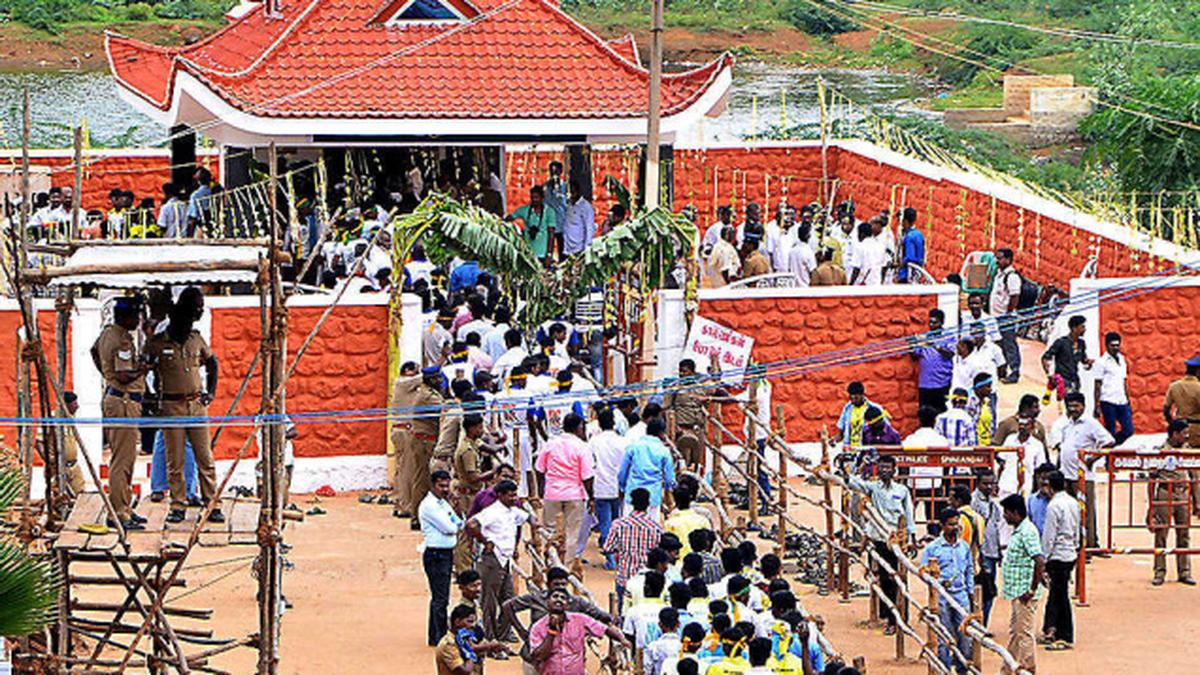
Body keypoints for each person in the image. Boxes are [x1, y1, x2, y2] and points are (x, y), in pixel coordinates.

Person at [144, 301, 221, 524]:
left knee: (205, 457)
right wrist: (152, 398)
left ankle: (212, 503)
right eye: (185, 320)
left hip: (196, 405)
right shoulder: (157, 343)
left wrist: (211, 393)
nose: (188, 324)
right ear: (175, 319)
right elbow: (146, 367)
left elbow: (212, 363)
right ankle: (178, 504)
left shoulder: (195, 339)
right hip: (171, 406)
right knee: (174, 459)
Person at [91, 296, 148, 530]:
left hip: (117, 398)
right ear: (126, 316)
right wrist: (143, 369)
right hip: (124, 401)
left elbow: (94, 352)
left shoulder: (107, 333)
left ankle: (124, 505)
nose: (138, 320)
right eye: (136, 315)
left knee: (125, 457)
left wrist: (107, 375)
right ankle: (119, 512)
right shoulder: (122, 340)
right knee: (122, 460)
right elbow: (124, 375)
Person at [845, 454, 915, 635]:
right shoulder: (873, 488)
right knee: (883, 578)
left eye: (888, 468)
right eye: (882, 467)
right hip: (878, 539)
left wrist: (912, 537)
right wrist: (852, 471)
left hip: (897, 541)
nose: (885, 471)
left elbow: (909, 515)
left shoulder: (902, 490)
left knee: (898, 579)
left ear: (894, 470)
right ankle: (889, 614)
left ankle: (899, 619)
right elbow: (853, 483)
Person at [502, 567, 613, 671]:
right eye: (556, 584)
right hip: (535, 658)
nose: (560, 587)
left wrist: (613, 620)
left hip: (566, 662)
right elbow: (507, 606)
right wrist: (522, 632)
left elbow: (598, 614)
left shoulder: (576, 602)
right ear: (548, 584)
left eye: (563, 584)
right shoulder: (536, 598)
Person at [1049, 391, 1114, 552]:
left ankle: (1090, 546)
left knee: (1086, 511)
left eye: (1076, 406)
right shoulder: (1067, 424)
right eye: (1070, 406)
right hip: (1066, 475)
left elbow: (1109, 441)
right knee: (1070, 512)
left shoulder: (1091, 423)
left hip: (1083, 476)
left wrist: (1093, 458)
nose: (1073, 409)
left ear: (1083, 407)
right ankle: (1074, 544)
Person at [465, 479, 528, 641]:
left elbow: (529, 518)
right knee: (490, 602)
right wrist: (485, 541)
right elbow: (471, 524)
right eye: (510, 496)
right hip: (492, 560)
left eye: (515, 495)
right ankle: (491, 639)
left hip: (505, 560)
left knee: (509, 600)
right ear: (500, 495)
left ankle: (502, 635)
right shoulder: (492, 512)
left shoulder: (512, 511)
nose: (514, 499)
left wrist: (539, 527)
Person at [534, 413, 594, 571]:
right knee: (571, 534)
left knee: (550, 533)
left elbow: (539, 468)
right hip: (574, 495)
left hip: (552, 494)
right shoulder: (582, 447)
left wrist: (542, 487)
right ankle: (564, 570)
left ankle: (551, 566)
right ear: (578, 428)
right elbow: (587, 476)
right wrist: (591, 497)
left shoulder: (551, 444)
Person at [920, 508, 974, 674]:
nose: (955, 527)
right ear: (942, 526)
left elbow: (969, 570)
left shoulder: (964, 547)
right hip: (941, 597)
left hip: (961, 595)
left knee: (965, 635)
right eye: (951, 524)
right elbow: (922, 571)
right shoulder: (932, 548)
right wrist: (936, 580)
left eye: (957, 524)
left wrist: (970, 592)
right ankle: (944, 670)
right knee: (943, 636)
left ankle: (961, 669)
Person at [530, 587, 630, 675]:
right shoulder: (538, 627)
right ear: (547, 601)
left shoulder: (580, 620)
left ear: (567, 605)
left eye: (562, 598)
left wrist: (622, 639)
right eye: (555, 596)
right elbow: (538, 656)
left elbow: (604, 629)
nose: (558, 600)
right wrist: (551, 632)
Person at [999, 494, 1047, 675]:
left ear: (1016, 513)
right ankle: (1007, 669)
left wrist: (1031, 589)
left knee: (1025, 634)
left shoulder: (1027, 531)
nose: (1005, 516)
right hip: (1017, 592)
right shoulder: (1019, 530)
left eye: (1007, 513)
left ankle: (1029, 669)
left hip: (1024, 593)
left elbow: (1039, 560)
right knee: (1016, 632)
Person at [393, 365, 444, 527]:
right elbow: (444, 409)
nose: (440, 381)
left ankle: (414, 511)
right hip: (422, 441)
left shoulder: (425, 391)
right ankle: (414, 515)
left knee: (417, 477)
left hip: (422, 438)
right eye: (436, 378)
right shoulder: (422, 393)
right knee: (420, 479)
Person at [1149, 420, 1196, 586]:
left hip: (1183, 494)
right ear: (1174, 434)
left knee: (1184, 534)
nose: (1187, 436)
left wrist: (1197, 502)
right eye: (1184, 433)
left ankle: (1185, 572)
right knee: (1161, 534)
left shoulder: (1188, 451)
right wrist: (1152, 507)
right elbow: (1152, 480)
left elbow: (1194, 477)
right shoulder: (1161, 452)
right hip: (1165, 493)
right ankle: (1159, 572)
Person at [421, 470, 464, 645]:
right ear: (433, 485)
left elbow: (459, 521)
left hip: (444, 553)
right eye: (441, 486)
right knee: (440, 598)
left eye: (447, 485)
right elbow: (451, 528)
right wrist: (455, 524)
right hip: (436, 554)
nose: (445, 489)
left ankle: (435, 635)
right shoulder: (430, 505)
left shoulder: (442, 503)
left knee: (440, 597)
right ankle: (439, 637)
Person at [604, 488, 664, 613]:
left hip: (624, 576)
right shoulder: (655, 528)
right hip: (647, 579)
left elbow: (607, 548)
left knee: (623, 612)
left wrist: (621, 549)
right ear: (648, 504)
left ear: (631, 503)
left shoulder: (619, 525)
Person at [1040, 470, 1079, 649]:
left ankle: (1065, 636)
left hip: (1057, 556)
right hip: (1069, 552)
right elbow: (1078, 529)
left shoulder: (1054, 506)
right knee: (1057, 595)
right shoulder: (1073, 502)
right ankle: (1053, 630)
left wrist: (1043, 559)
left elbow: (1049, 535)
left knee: (1060, 596)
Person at [589, 408, 628, 570]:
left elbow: (590, 465)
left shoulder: (594, 442)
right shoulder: (622, 441)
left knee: (605, 525)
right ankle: (618, 558)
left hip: (600, 487)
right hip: (618, 487)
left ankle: (611, 559)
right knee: (617, 522)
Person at [619, 417, 677, 520]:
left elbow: (623, 472)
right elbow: (669, 478)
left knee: (628, 526)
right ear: (661, 433)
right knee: (650, 530)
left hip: (632, 495)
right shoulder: (664, 451)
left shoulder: (633, 447)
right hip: (653, 497)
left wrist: (622, 488)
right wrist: (668, 490)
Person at [1163, 355, 1200, 515]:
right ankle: (1197, 504)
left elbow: (1166, 409)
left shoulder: (1174, 386)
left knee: (1181, 466)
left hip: (1180, 428)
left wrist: (1174, 425)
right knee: (1196, 467)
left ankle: (1185, 500)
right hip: (1197, 429)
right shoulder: (1199, 387)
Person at [903, 406, 950, 519]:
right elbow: (946, 464)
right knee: (934, 518)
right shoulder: (941, 440)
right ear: (934, 421)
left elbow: (904, 462)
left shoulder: (911, 439)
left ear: (919, 420)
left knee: (908, 516)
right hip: (935, 483)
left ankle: (909, 534)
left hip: (914, 482)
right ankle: (934, 534)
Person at [666, 358, 712, 473]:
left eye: (685, 371)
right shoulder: (674, 388)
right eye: (680, 371)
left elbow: (716, 390)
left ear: (692, 372)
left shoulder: (701, 387)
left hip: (698, 429)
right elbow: (667, 409)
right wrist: (674, 428)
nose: (682, 374)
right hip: (682, 429)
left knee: (698, 462)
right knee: (682, 463)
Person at [435, 604, 504, 675]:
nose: (473, 625)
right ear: (457, 622)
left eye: (473, 622)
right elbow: (464, 671)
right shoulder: (449, 644)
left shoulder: (464, 638)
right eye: (469, 621)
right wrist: (471, 654)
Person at [971, 471, 1002, 624]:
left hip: (992, 552)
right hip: (979, 554)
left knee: (989, 591)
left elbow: (995, 528)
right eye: (986, 483)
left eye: (992, 483)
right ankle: (976, 623)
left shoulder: (993, 503)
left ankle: (983, 623)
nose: (989, 487)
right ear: (978, 483)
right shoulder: (973, 502)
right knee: (978, 591)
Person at [911, 309, 955, 414]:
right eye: (930, 322)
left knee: (941, 413)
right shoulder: (924, 337)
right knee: (925, 413)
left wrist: (934, 345)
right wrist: (912, 345)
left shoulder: (948, 336)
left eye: (935, 322)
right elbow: (915, 356)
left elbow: (950, 354)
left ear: (941, 323)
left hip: (942, 383)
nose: (931, 325)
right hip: (925, 383)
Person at [1093, 332, 1133, 445]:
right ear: (1107, 345)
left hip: (1122, 400)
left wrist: (1128, 399)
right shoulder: (1101, 362)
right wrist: (1097, 405)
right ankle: (1109, 458)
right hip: (1107, 400)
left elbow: (1123, 381)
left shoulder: (1122, 360)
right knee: (1110, 430)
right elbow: (1097, 384)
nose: (1115, 348)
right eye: (1112, 345)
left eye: (1117, 345)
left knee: (1128, 430)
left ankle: (1114, 445)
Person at [990, 248, 1023, 383]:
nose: (997, 261)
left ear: (1008, 260)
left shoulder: (1012, 277)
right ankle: (1002, 371)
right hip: (997, 316)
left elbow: (1014, 296)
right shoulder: (1000, 275)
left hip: (1005, 317)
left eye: (1000, 258)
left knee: (1009, 345)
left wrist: (1008, 313)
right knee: (1000, 344)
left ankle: (1014, 372)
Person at [1042, 316, 1092, 394]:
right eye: (1082, 327)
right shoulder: (1061, 342)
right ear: (1074, 328)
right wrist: (1049, 374)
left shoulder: (1081, 343)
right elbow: (1046, 357)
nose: (1084, 330)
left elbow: (1083, 360)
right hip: (1062, 380)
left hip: (1075, 380)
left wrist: (1088, 363)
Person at [1001, 416, 1047, 498]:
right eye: (1021, 424)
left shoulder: (1037, 445)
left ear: (1032, 427)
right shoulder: (1010, 439)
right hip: (1006, 485)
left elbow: (1039, 470)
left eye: (1026, 425)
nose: (1022, 427)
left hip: (1025, 487)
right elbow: (1002, 462)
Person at [508, 185, 556, 262]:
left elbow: (551, 234)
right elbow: (508, 219)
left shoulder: (549, 212)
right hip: (528, 253)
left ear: (542, 198)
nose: (534, 200)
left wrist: (549, 254)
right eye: (532, 197)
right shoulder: (525, 210)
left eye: (537, 197)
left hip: (542, 254)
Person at [665, 486, 710, 556]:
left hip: (678, 563)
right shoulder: (703, 520)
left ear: (675, 501)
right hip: (700, 562)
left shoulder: (670, 523)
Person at [643, 607, 683, 675]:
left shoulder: (653, 647)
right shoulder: (683, 646)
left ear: (660, 624)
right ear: (678, 624)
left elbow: (647, 670)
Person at [561, 180, 595, 256]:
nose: (570, 195)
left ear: (578, 192)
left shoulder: (586, 207)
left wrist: (587, 249)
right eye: (568, 193)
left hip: (579, 249)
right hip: (567, 248)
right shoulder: (568, 204)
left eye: (573, 192)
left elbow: (589, 228)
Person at [849, 221, 887, 286]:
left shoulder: (860, 247)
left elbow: (856, 269)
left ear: (862, 234)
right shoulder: (881, 246)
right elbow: (884, 267)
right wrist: (881, 282)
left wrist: (850, 284)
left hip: (863, 285)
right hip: (877, 283)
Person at [966, 372, 997, 446]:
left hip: (987, 442)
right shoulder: (970, 403)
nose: (990, 389)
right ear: (979, 388)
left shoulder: (986, 402)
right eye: (988, 387)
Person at [897, 206, 925, 284]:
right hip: (917, 273)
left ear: (905, 221)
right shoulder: (919, 234)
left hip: (907, 275)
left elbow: (910, 257)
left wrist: (899, 264)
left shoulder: (909, 236)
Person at [1026, 464, 1055, 534]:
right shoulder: (1031, 500)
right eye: (1043, 478)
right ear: (1037, 478)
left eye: (1049, 479)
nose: (1046, 482)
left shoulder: (1059, 500)